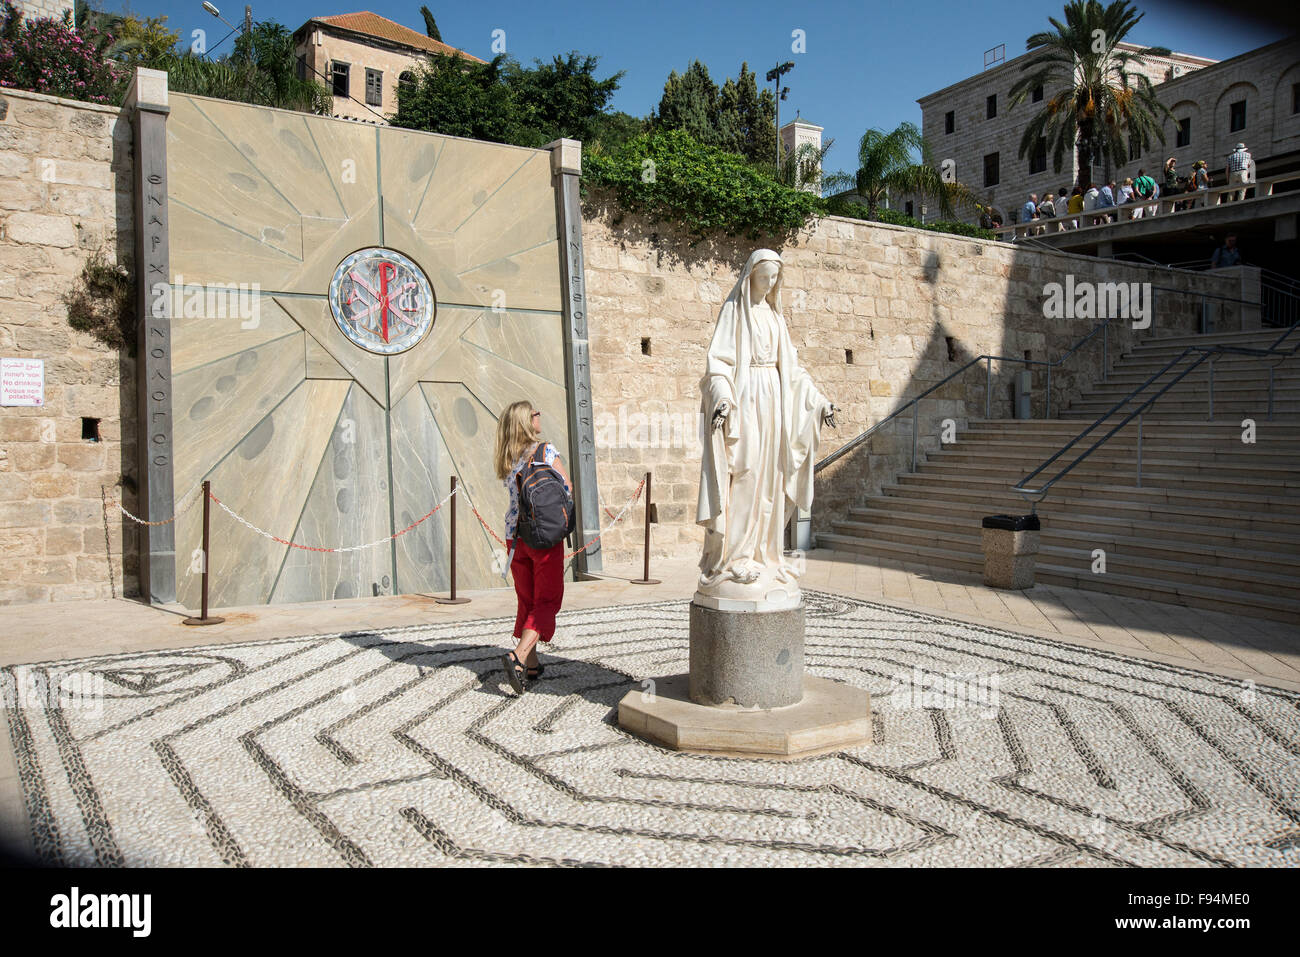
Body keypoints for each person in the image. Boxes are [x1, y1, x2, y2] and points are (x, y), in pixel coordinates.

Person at [697, 249, 835, 603]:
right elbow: (719, 363)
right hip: (746, 398)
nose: (770, 283)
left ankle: (765, 553)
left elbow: (793, 371)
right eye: (764, 277)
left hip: (774, 400)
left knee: (771, 475)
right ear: (751, 276)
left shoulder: (776, 318)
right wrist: (723, 397)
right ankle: (734, 556)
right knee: (746, 473)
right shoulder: (734, 312)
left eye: (775, 278)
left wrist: (819, 401)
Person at [496, 400, 572, 693]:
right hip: (543, 537)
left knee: (527, 600)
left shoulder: (508, 458)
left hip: (515, 538)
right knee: (547, 600)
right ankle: (518, 656)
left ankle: (531, 664)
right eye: (536, 414)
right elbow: (566, 488)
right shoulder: (545, 451)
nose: (540, 416)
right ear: (528, 422)